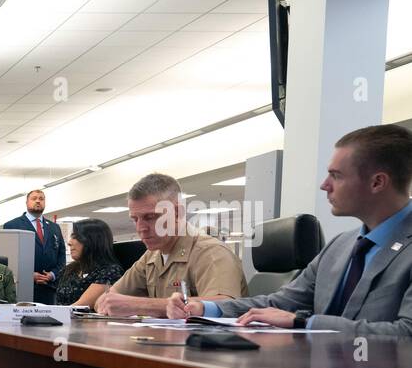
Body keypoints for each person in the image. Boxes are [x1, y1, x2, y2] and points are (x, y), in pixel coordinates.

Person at [169, 124, 412, 335]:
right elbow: (279, 302)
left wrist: (304, 322)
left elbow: (406, 334)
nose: (324, 185)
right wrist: (206, 308)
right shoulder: (339, 247)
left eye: (336, 176)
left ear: (377, 182)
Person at [93, 173, 247, 316]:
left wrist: (140, 305)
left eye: (151, 217)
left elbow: (226, 304)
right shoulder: (151, 256)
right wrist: (109, 303)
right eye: (135, 219)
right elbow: (105, 300)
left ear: (178, 213)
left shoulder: (210, 251)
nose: (141, 228)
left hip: (210, 344)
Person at [3, 189, 65, 304]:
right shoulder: (12, 225)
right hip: (22, 286)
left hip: (49, 288)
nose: (38, 201)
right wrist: (27, 274)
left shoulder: (54, 227)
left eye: (41, 199)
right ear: (26, 203)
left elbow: (61, 257)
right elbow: (7, 258)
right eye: (34, 198)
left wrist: (53, 274)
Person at [55, 218, 123, 308]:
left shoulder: (110, 272)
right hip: (62, 320)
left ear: (92, 240)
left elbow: (80, 306)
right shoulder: (68, 270)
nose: (69, 242)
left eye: (75, 237)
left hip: (87, 321)